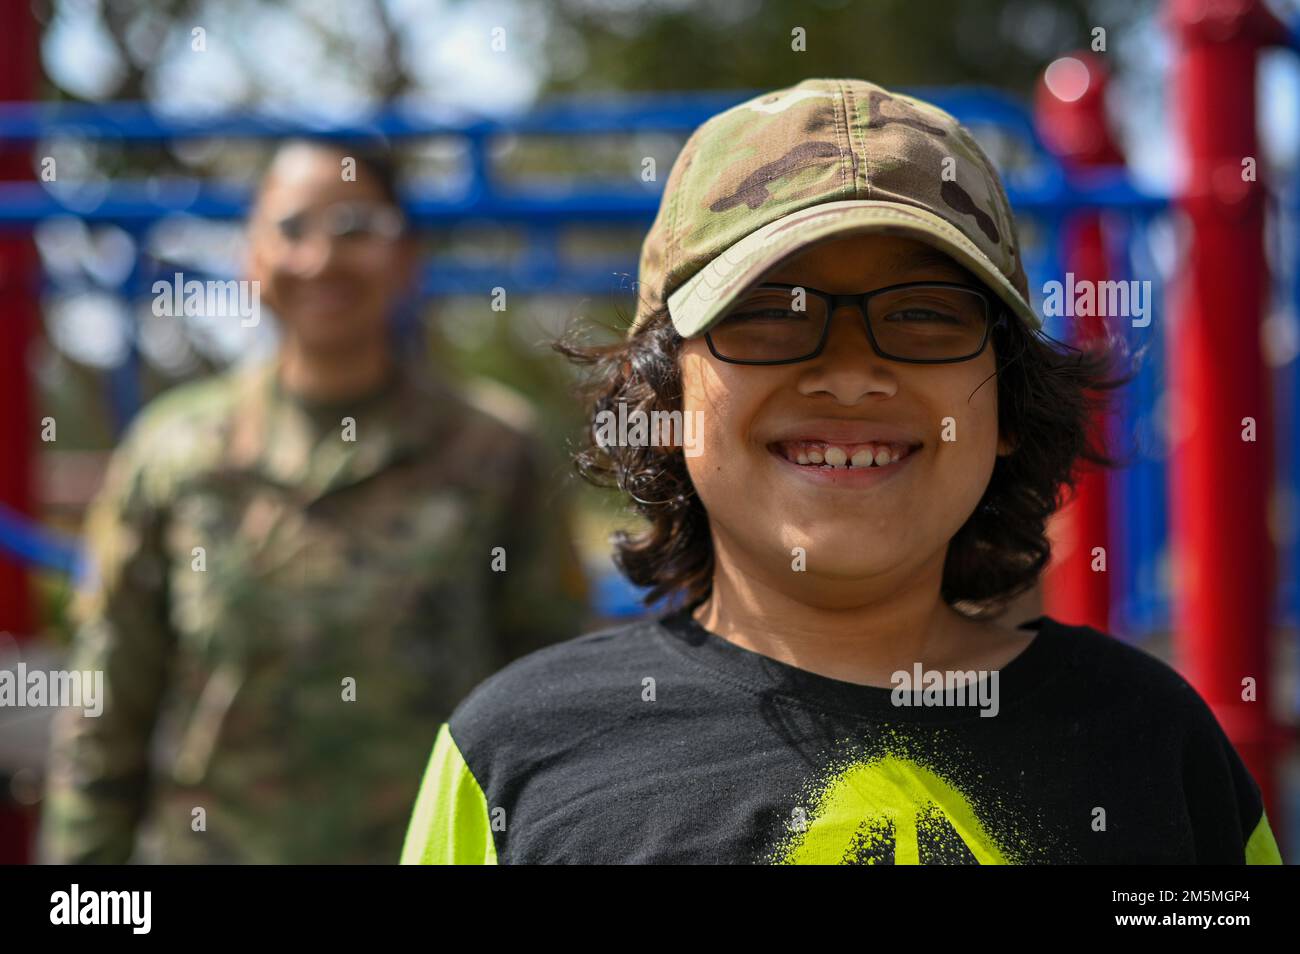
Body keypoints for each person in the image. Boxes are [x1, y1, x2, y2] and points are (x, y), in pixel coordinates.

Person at [399, 78, 1283, 865]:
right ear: (662, 397)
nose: (853, 374)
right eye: (772, 312)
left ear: (1010, 404)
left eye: (927, 314)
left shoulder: (1156, 747)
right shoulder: (512, 757)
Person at [40, 138, 589, 864]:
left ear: (406, 258)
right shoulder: (173, 453)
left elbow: (550, 694)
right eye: (292, 229)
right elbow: (108, 709)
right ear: (251, 257)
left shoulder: (494, 449)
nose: (323, 258)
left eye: (357, 229)